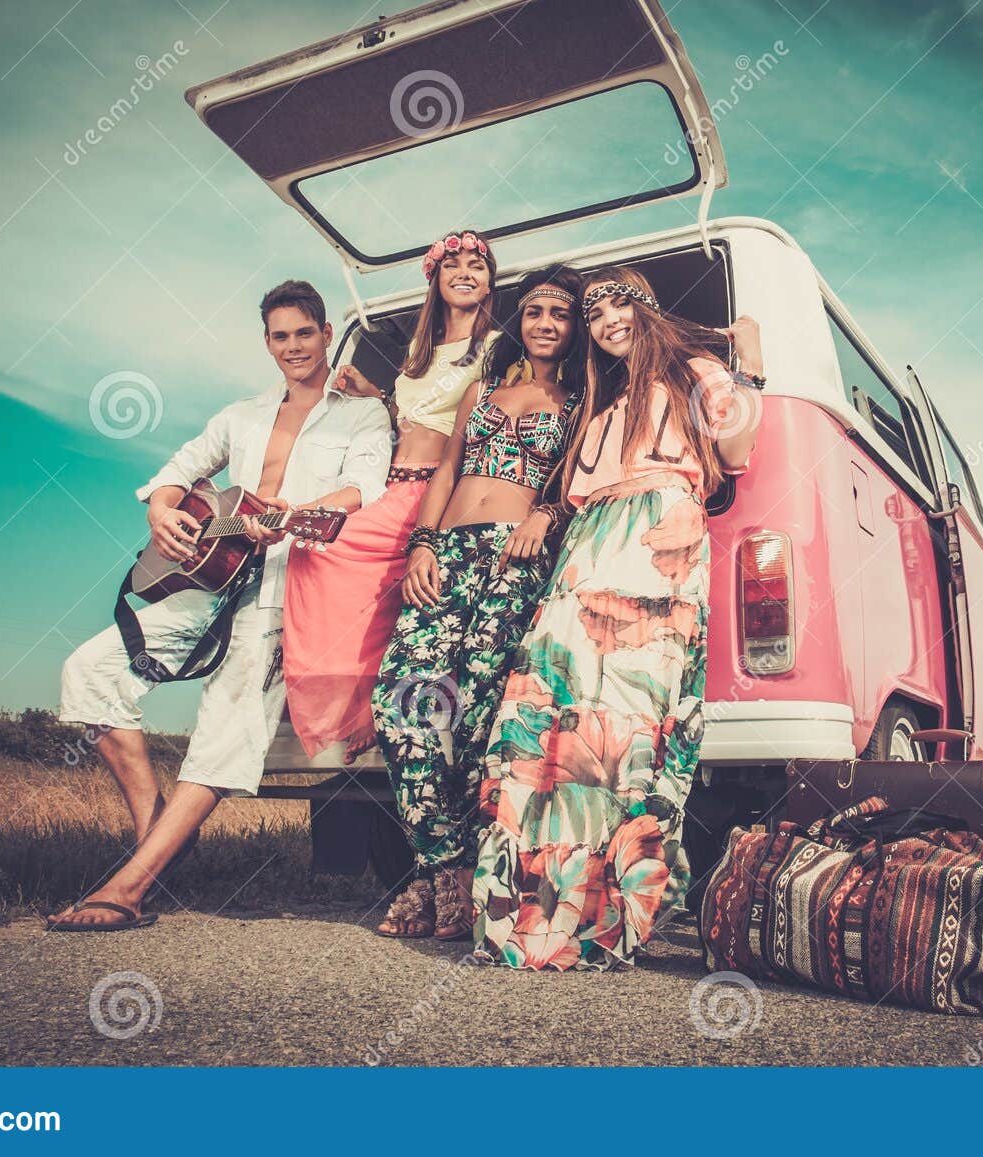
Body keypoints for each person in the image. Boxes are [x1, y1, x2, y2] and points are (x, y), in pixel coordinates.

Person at [48, 280, 392, 931]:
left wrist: (298, 514)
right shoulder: (241, 414)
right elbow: (178, 470)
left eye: (304, 332)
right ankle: (160, 833)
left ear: (325, 333)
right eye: (280, 335)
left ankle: (128, 886)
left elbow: (365, 489)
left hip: (293, 582)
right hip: (213, 576)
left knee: (225, 727)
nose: (293, 346)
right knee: (87, 672)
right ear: (267, 342)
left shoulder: (362, 415)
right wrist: (162, 510)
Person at [472, 266, 765, 970]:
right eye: (594, 309)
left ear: (648, 309)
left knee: (630, 725)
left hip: (660, 539)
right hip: (588, 550)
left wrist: (747, 366)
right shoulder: (601, 408)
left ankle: (607, 915)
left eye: (619, 302)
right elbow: (574, 495)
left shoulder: (695, 372)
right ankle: (525, 911)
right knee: (549, 708)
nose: (606, 318)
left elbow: (736, 449)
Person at [370, 265, 586, 941]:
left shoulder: (582, 402)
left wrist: (545, 516)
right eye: (536, 311)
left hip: (514, 562)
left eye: (560, 313)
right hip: (450, 551)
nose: (546, 322)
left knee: (474, 721)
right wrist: (422, 546)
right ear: (518, 320)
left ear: (574, 327)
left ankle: (450, 887)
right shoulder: (485, 391)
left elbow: (579, 483)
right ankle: (444, 873)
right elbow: (446, 470)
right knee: (404, 704)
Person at [281, 230, 495, 765]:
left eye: (478, 265)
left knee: (325, 551)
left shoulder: (495, 348)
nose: (466, 273)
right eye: (454, 265)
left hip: (433, 488)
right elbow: (415, 419)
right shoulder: (419, 353)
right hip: (392, 483)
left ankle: (365, 710)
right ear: (436, 278)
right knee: (343, 569)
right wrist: (374, 395)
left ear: (490, 280)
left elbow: (471, 427)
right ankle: (362, 705)